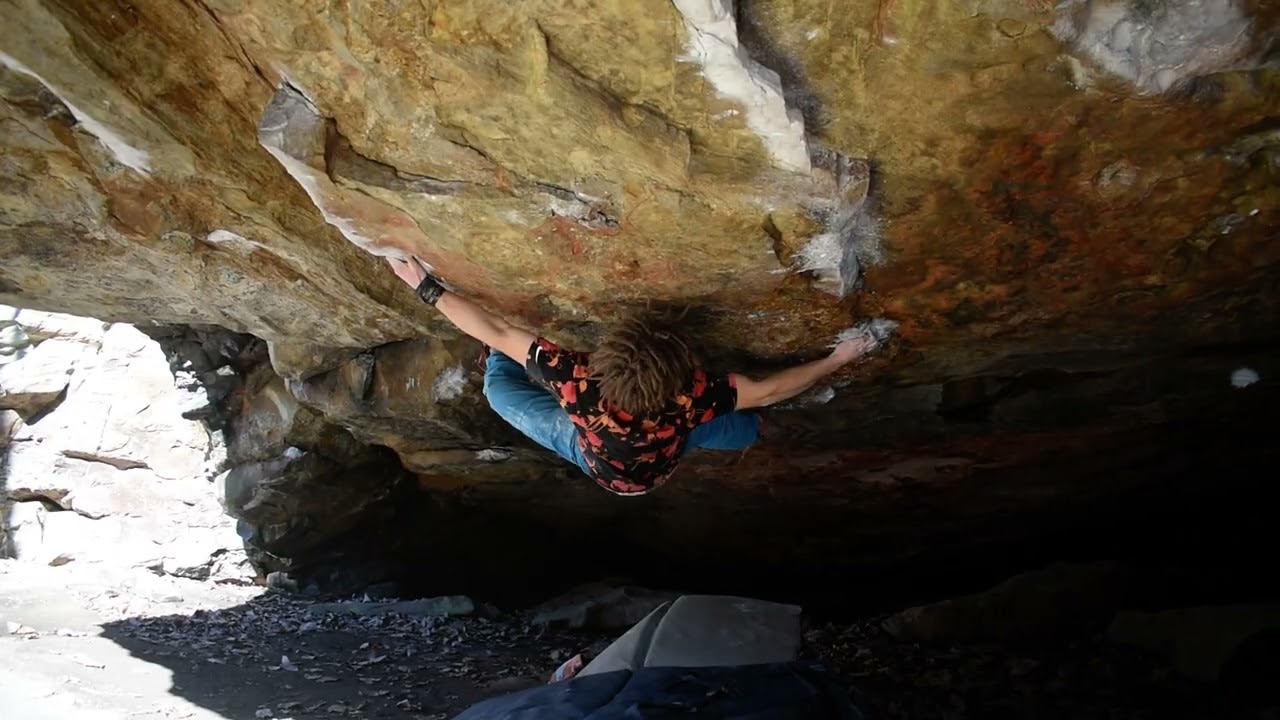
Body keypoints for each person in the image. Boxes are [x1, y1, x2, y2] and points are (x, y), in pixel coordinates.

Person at [389, 258, 877, 496]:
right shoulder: (693, 399)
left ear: (604, 362)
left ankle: (753, 429)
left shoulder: (578, 384)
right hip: (671, 444)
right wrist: (838, 358)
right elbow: (772, 387)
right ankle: (755, 429)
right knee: (731, 420)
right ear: (681, 373)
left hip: (614, 467)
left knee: (499, 387)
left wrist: (424, 286)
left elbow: (497, 327)